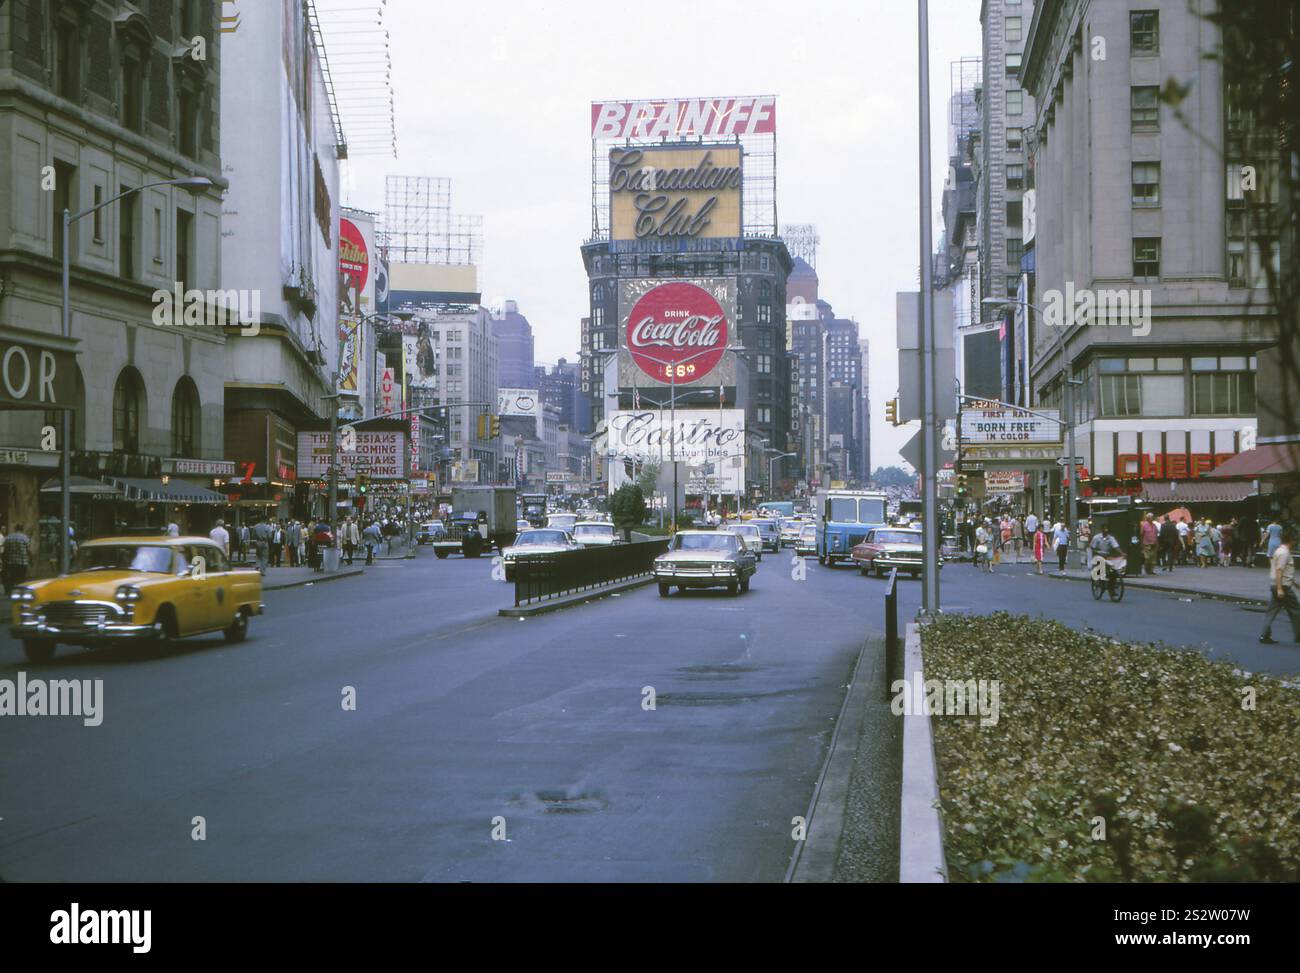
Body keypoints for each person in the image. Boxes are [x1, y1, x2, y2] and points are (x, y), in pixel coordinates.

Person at [1260, 526, 1300, 645]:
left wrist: (1294, 583)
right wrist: (1280, 589)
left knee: (1272, 611)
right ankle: (1299, 635)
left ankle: (1264, 635)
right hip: (1283, 586)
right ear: (1292, 540)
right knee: (1296, 611)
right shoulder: (1284, 553)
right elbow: (1279, 570)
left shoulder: (1279, 550)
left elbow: (1283, 571)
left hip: (1277, 585)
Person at [3, 523, 32, 593]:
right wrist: (31, 560)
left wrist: (4, 561)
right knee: (21, 579)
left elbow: (5, 551)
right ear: (22, 529)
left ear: (15, 529)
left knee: (11, 578)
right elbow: (29, 551)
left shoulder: (8, 537)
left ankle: (9, 592)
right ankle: (20, 592)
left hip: (10, 562)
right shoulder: (25, 538)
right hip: (22, 562)